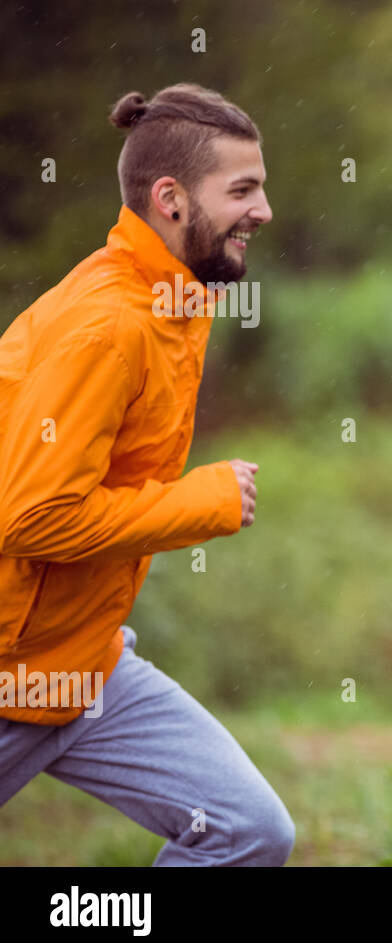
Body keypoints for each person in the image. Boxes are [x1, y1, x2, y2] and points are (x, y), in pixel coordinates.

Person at [0, 83, 292, 865]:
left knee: (249, 832)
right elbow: (30, 518)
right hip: (10, 674)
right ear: (170, 198)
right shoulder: (107, 327)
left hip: (87, 663)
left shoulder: (172, 298)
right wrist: (200, 501)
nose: (263, 210)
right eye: (243, 190)